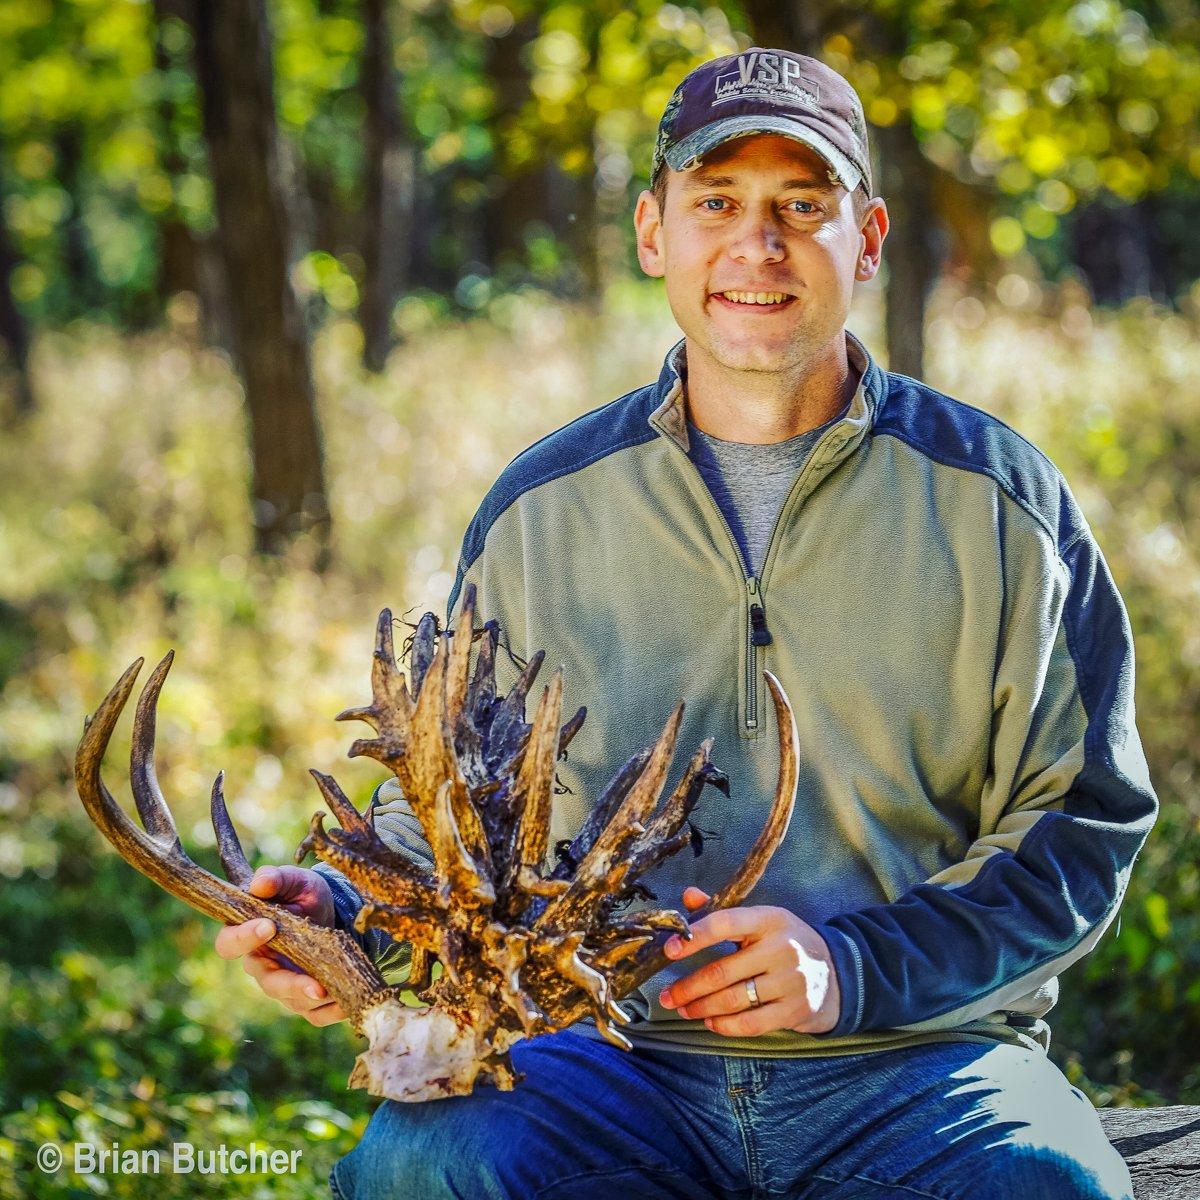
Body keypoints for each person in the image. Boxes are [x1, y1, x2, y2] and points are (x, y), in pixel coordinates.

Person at [215, 47, 1158, 1200]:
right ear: (655, 231)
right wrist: (349, 913)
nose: (755, 247)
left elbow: (1086, 822)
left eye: (799, 207)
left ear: (865, 239)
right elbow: (451, 814)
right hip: (601, 1062)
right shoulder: (541, 511)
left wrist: (851, 970)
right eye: (716, 202)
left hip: (919, 1068)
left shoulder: (998, 502)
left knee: (1046, 1181)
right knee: (422, 1163)